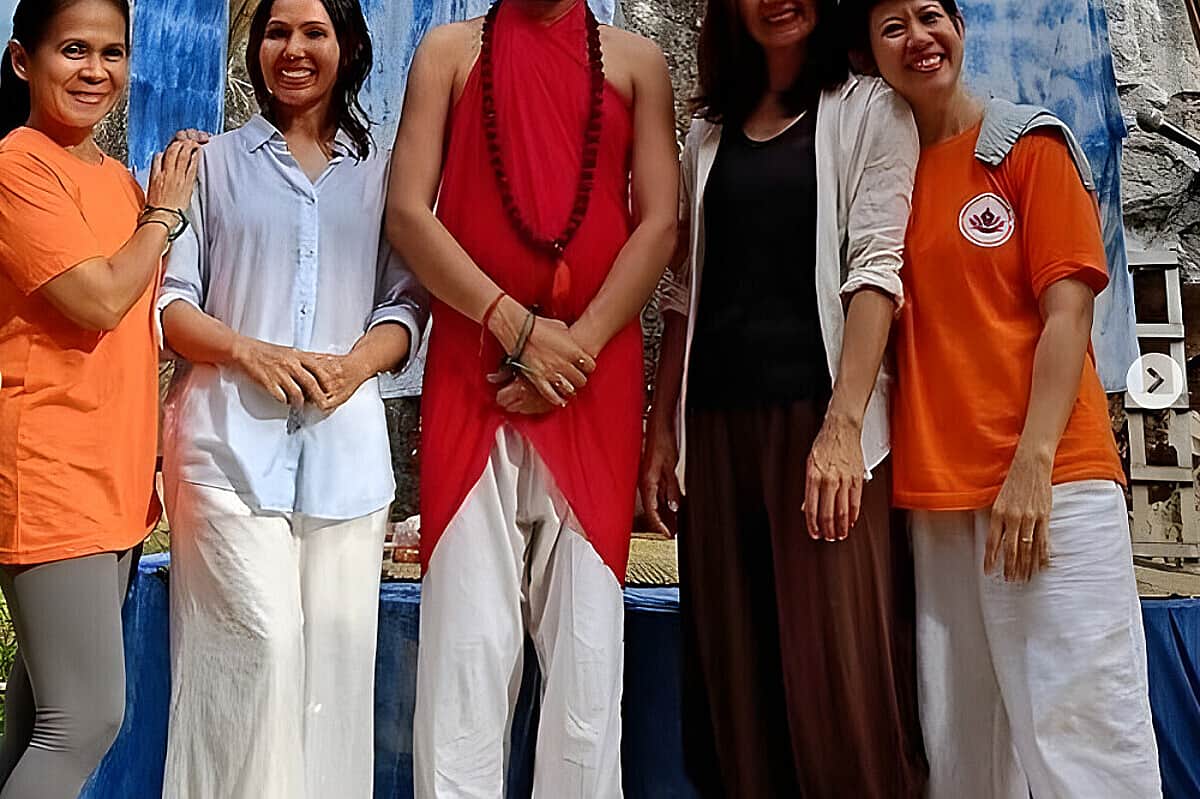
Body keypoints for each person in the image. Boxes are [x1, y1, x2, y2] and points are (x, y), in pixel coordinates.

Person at [844, 0, 1163, 796]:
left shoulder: (1025, 143)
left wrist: (1034, 463)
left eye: (930, 15)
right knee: (963, 750)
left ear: (960, 26)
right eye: (893, 27)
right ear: (868, 53)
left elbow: (1069, 311)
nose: (918, 38)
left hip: (1050, 482)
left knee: (1082, 736)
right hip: (939, 500)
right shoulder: (883, 177)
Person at [386, 0, 677, 794]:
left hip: (593, 382)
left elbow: (660, 221)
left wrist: (571, 351)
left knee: (587, 657)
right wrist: (515, 327)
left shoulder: (636, 61)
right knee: (464, 651)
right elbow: (409, 210)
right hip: (475, 372)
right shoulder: (447, 53)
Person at [639, 0, 929, 796]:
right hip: (717, 428)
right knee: (735, 684)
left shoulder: (872, 108)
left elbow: (878, 271)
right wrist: (661, 426)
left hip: (821, 428)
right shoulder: (707, 132)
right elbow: (682, 292)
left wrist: (841, 429)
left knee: (838, 680)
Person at [156, 0, 428, 795]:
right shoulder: (211, 164)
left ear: (348, 46)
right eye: (277, 31)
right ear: (255, 46)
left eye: (315, 32)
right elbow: (172, 306)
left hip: (346, 464)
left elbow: (407, 304)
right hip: (225, 453)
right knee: (255, 656)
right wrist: (248, 349)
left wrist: (354, 367)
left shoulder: (384, 175)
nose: (295, 49)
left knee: (333, 687)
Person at [0, 0, 200, 796]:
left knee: (40, 716)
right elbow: (98, 300)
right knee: (84, 720)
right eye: (74, 50)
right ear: (24, 61)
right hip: (52, 473)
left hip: (114, 482)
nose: (95, 71)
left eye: (112, 53)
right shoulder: (18, 165)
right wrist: (164, 212)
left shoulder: (112, 177)